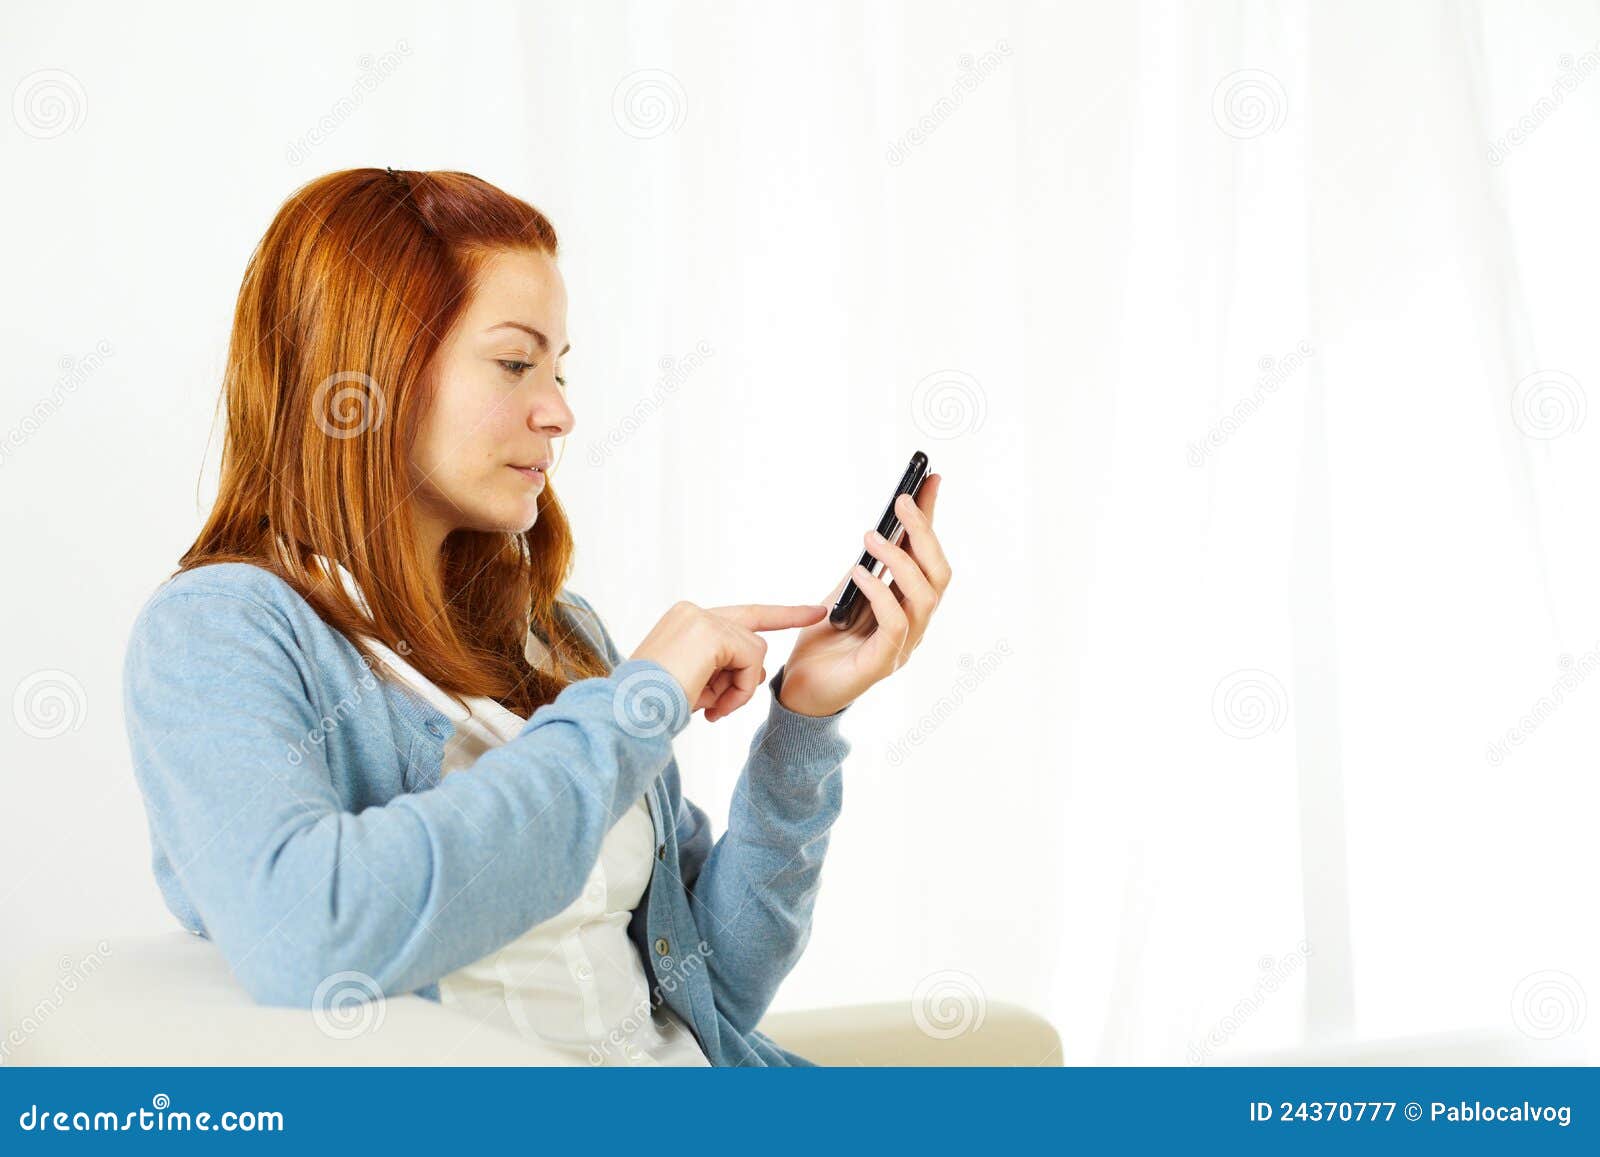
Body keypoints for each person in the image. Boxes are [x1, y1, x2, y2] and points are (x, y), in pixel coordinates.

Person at [121, 167, 951, 1066]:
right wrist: (627, 709)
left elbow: (715, 993)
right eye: (516, 363)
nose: (559, 411)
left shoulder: (559, 633)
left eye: (558, 369)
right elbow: (304, 930)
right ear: (362, 372)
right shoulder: (221, 632)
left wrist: (804, 721)